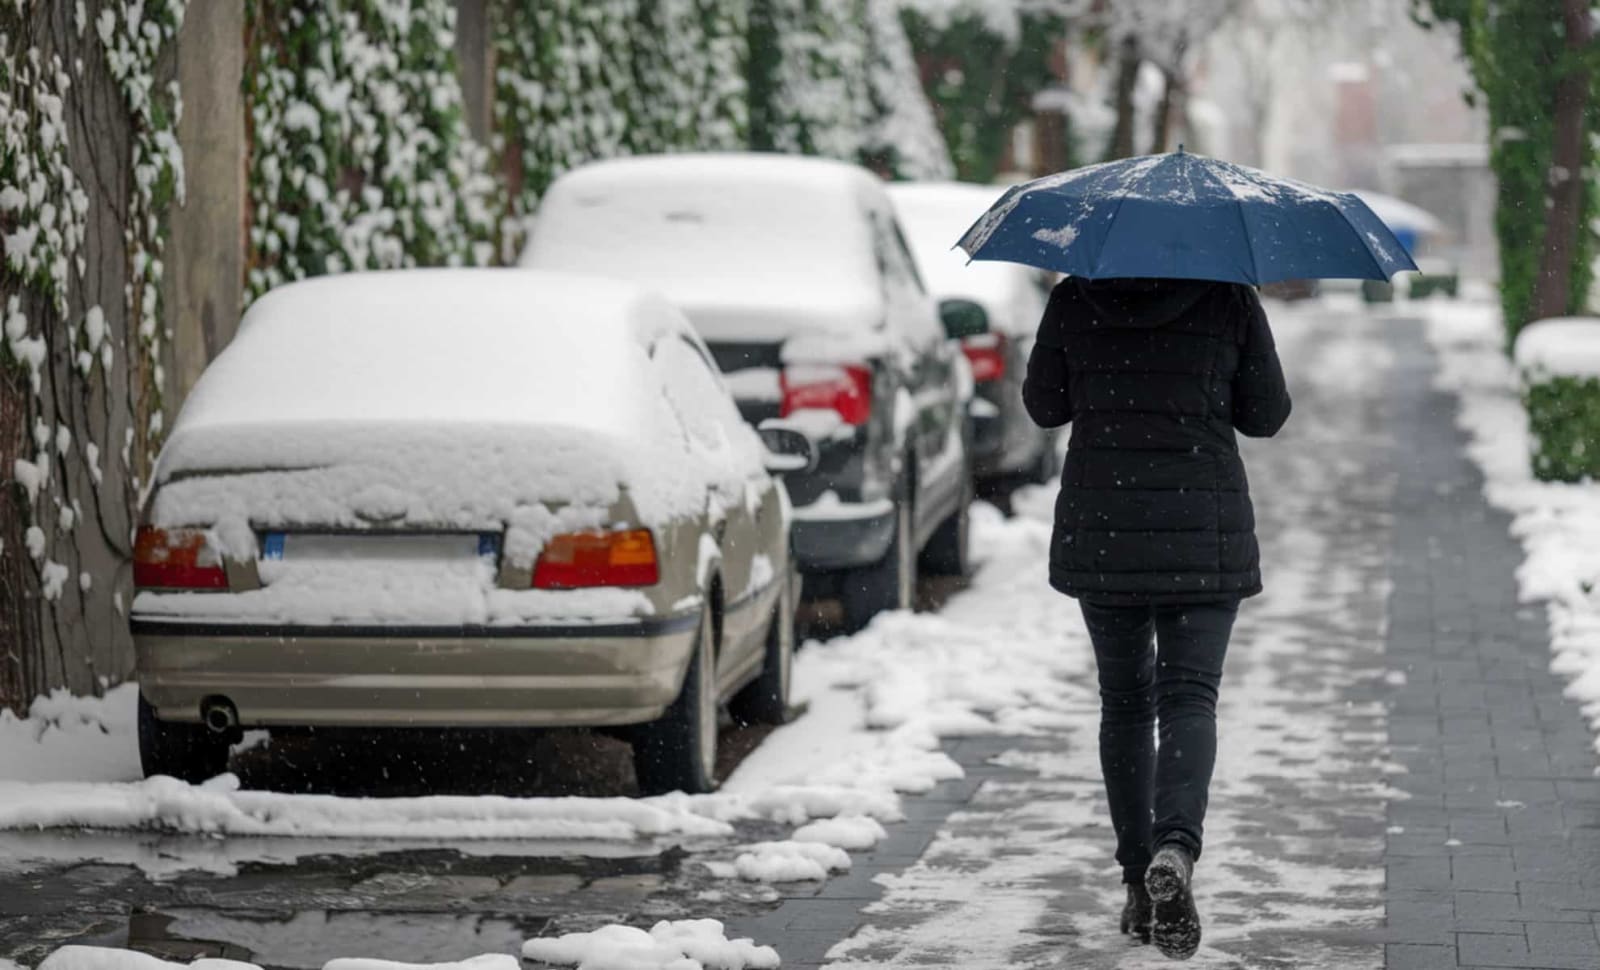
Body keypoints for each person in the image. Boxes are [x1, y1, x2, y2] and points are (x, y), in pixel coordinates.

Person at [1022, 276, 1291, 960]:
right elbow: (1266, 414)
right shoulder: (1228, 296)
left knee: (1125, 703)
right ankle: (1175, 847)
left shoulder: (1076, 294)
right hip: (1203, 531)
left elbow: (1044, 406)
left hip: (1105, 524)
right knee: (1189, 698)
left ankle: (1138, 881)